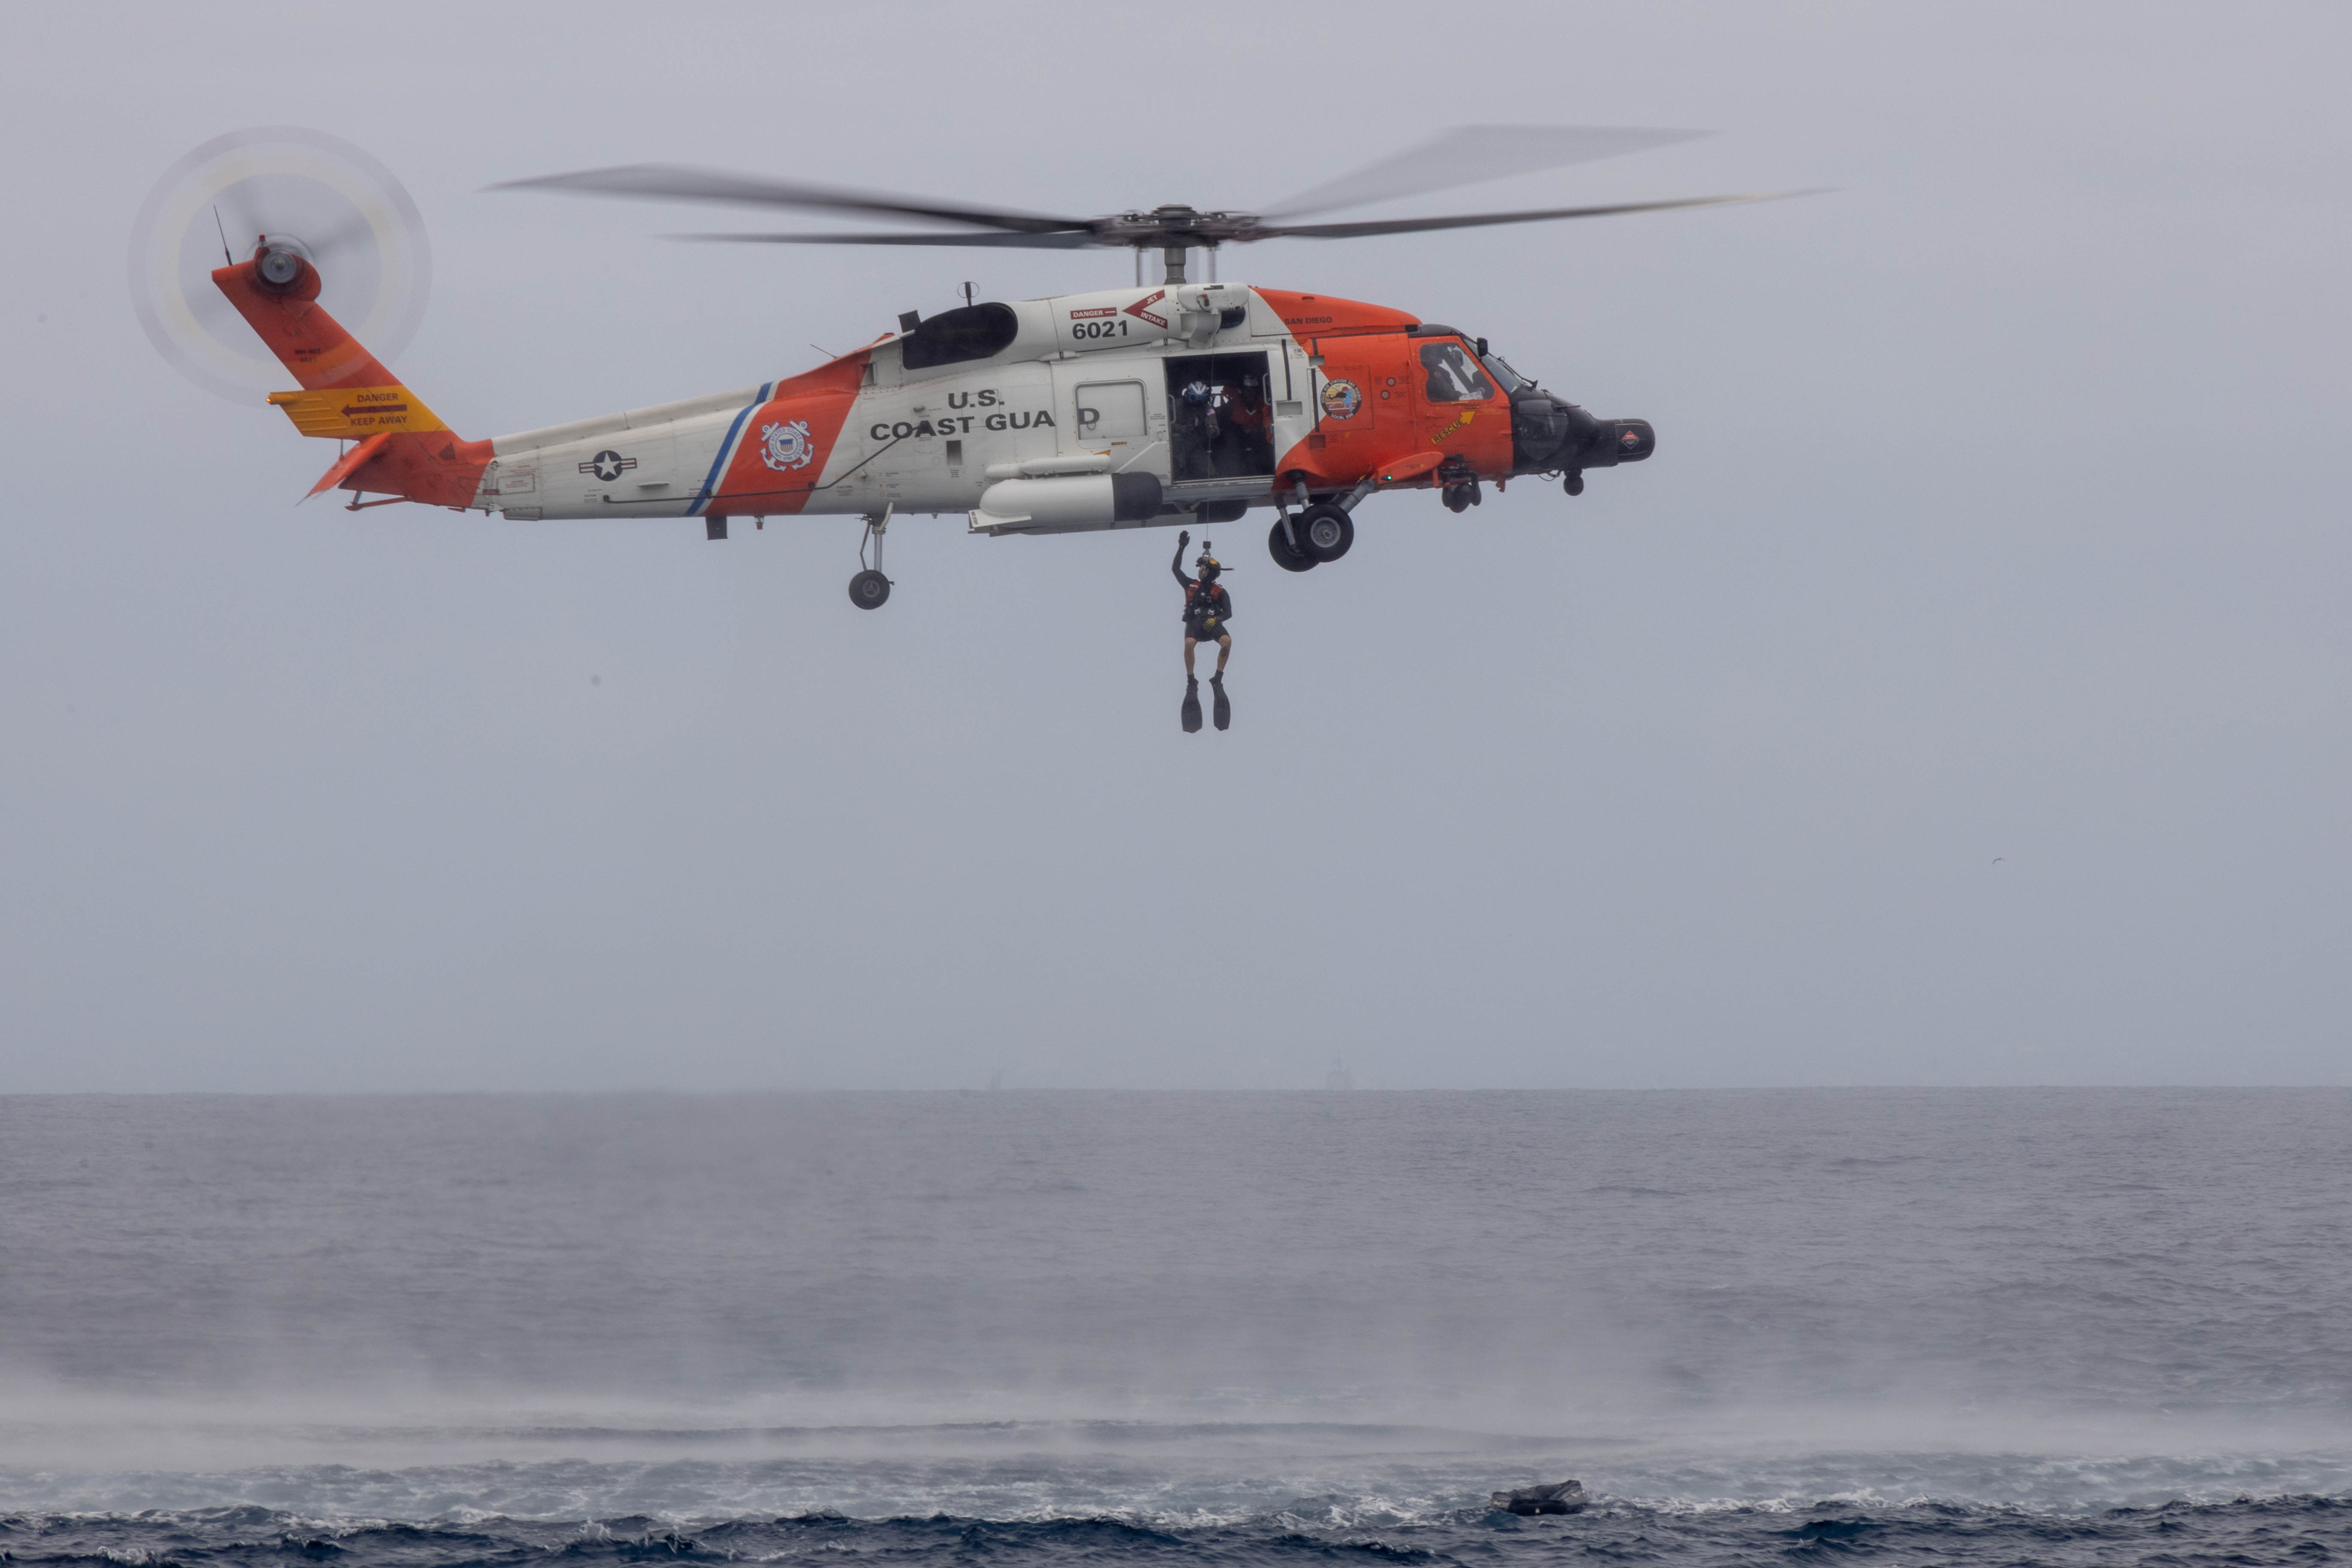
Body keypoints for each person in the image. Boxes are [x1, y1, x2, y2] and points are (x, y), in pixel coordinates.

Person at [1172, 529, 1231, 730]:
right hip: (1195, 623)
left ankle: (1218, 679)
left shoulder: (1220, 592)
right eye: (1200, 569)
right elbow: (1176, 569)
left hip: (1212, 623)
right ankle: (1191, 681)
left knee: (1227, 642)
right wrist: (1182, 547)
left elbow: (1229, 613)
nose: (1201, 572)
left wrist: (1217, 620)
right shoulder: (1191, 585)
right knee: (1189, 644)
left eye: (1204, 569)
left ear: (1212, 573)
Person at [1212, 373, 1273, 476]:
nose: (1251, 393)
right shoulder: (1231, 406)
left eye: (1253, 390)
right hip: (1238, 442)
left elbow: (1270, 420)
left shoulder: (1263, 405)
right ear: (1241, 390)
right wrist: (1240, 428)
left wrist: (1261, 428)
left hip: (1259, 441)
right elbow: (1219, 420)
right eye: (1248, 389)